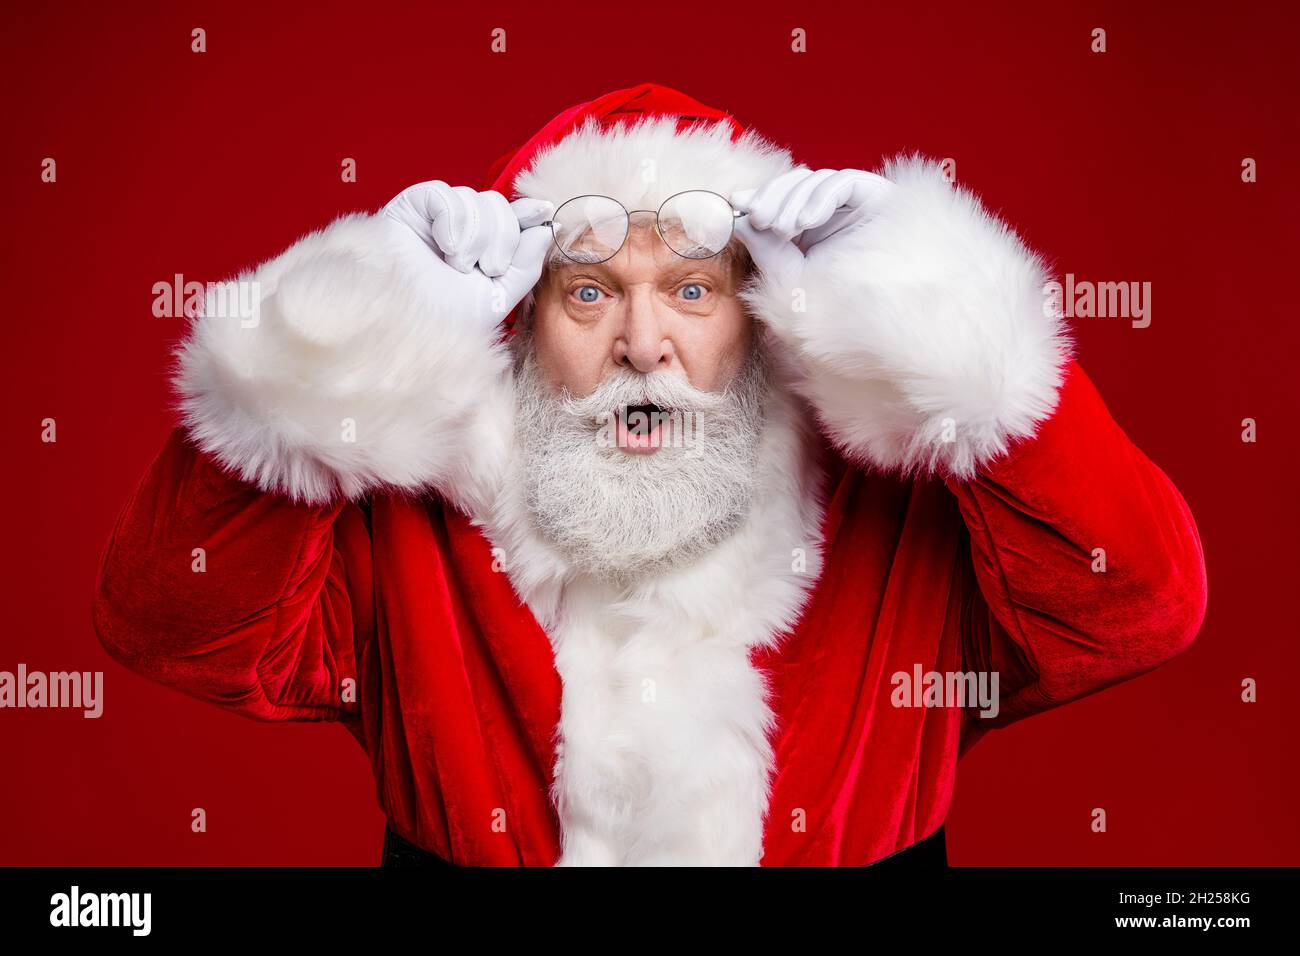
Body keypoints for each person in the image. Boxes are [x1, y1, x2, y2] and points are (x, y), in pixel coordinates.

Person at [92, 81, 1207, 867]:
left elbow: (1142, 605)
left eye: (689, 290)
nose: (640, 343)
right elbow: (169, 626)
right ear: (519, 322)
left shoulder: (893, 500)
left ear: (761, 316)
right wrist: (337, 339)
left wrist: (951, 331)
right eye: (587, 292)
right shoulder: (412, 514)